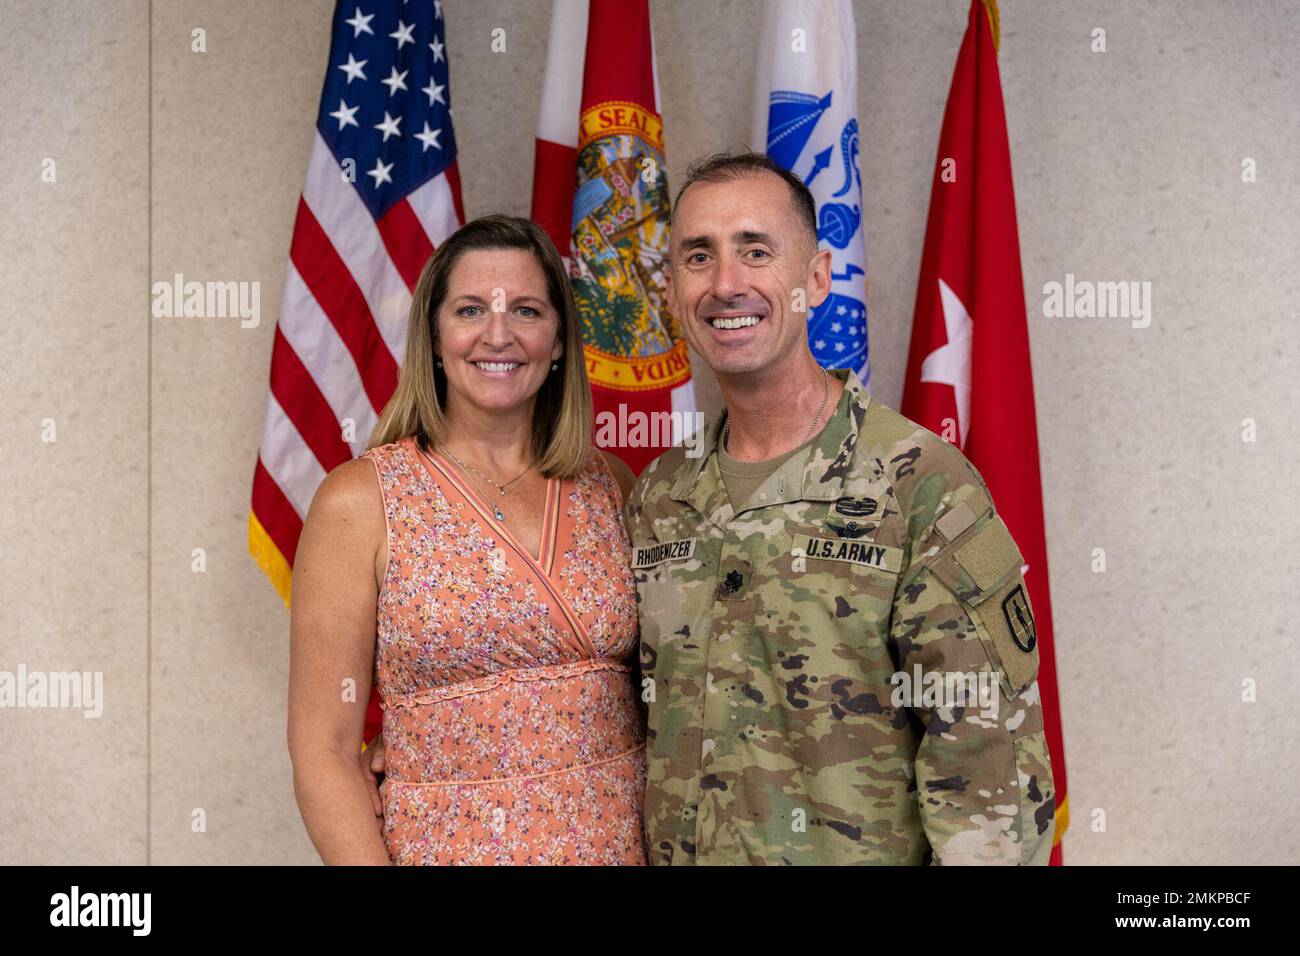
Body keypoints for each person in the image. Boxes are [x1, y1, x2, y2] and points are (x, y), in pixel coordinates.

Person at [622, 151, 1057, 865]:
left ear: (816, 277)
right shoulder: (661, 497)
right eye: (698, 257)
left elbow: (989, 764)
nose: (726, 284)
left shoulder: (922, 485)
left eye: (755, 251)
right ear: (671, 288)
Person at [288, 214, 647, 865]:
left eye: (528, 310)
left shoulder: (610, 485)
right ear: (434, 334)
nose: (499, 334)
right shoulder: (359, 502)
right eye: (471, 308)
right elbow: (326, 751)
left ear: (560, 337)